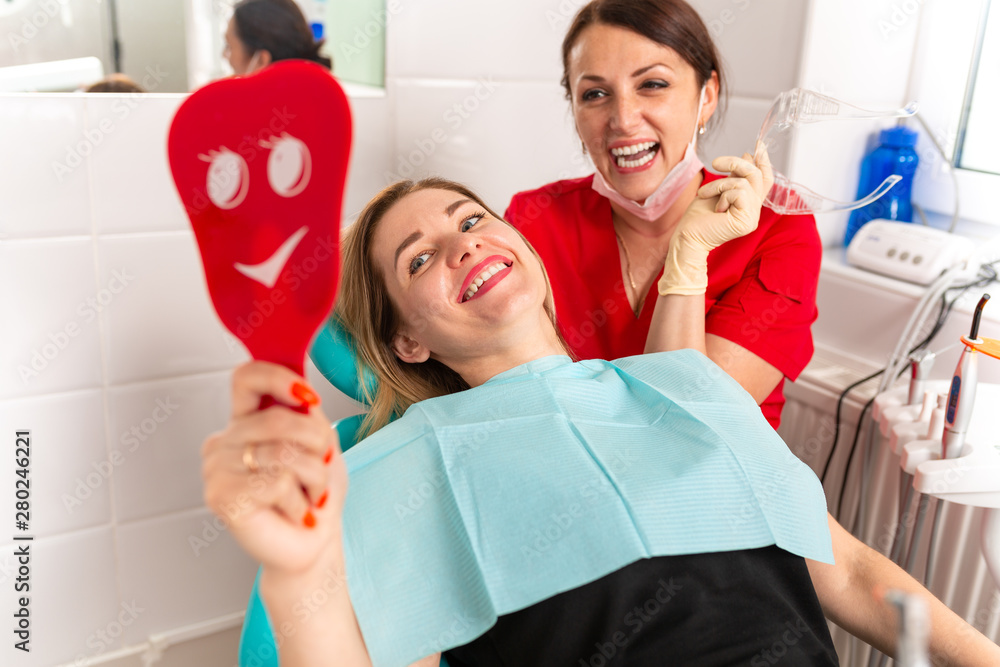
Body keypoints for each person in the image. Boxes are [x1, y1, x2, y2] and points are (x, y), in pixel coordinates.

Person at [205, 173, 1000, 666]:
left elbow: (854, 574)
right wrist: (297, 567)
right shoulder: (405, 470)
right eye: (418, 258)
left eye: (471, 218)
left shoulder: (682, 389)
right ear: (406, 340)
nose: (461, 243)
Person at [505, 0, 819, 429]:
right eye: (595, 94)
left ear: (706, 96)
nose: (623, 119)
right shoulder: (536, 219)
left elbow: (689, 424)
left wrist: (689, 256)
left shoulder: (779, 227)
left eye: (652, 84)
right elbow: (512, 393)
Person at [223, 0, 332, 76]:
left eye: (229, 46)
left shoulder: (245, 108)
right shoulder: (325, 97)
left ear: (261, 60)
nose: (224, 55)